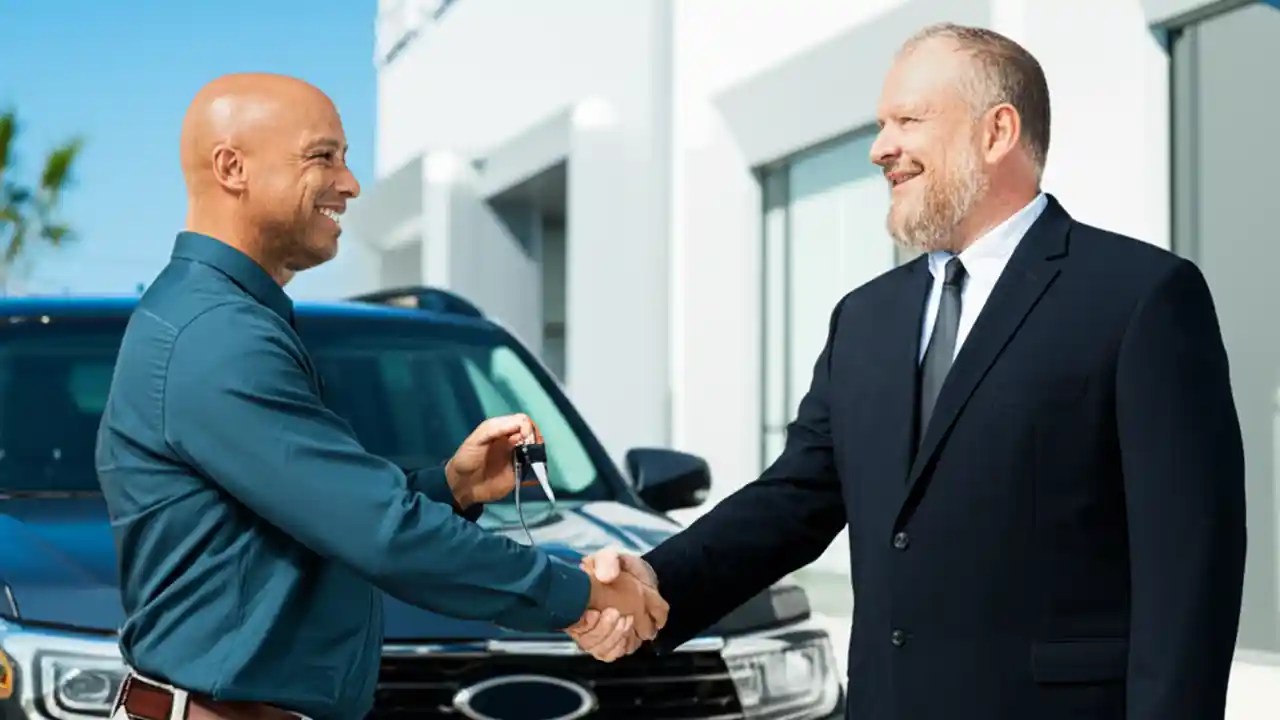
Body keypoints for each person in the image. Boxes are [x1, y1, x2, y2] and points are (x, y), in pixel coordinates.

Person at [570, 23, 1247, 720]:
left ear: (997, 132)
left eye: (908, 120)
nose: (879, 148)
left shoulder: (1137, 297)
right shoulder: (864, 319)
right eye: (880, 124)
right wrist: (654, 578)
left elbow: (1188, 572)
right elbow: (793, 500)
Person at [95, 72, 665, 720]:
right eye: (323, 156)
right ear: (233, 168)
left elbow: (315, 522)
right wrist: (580, 593)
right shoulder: (216, 337)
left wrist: (452, 488)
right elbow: (380, 532)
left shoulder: (222, 320)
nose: (350, 183)